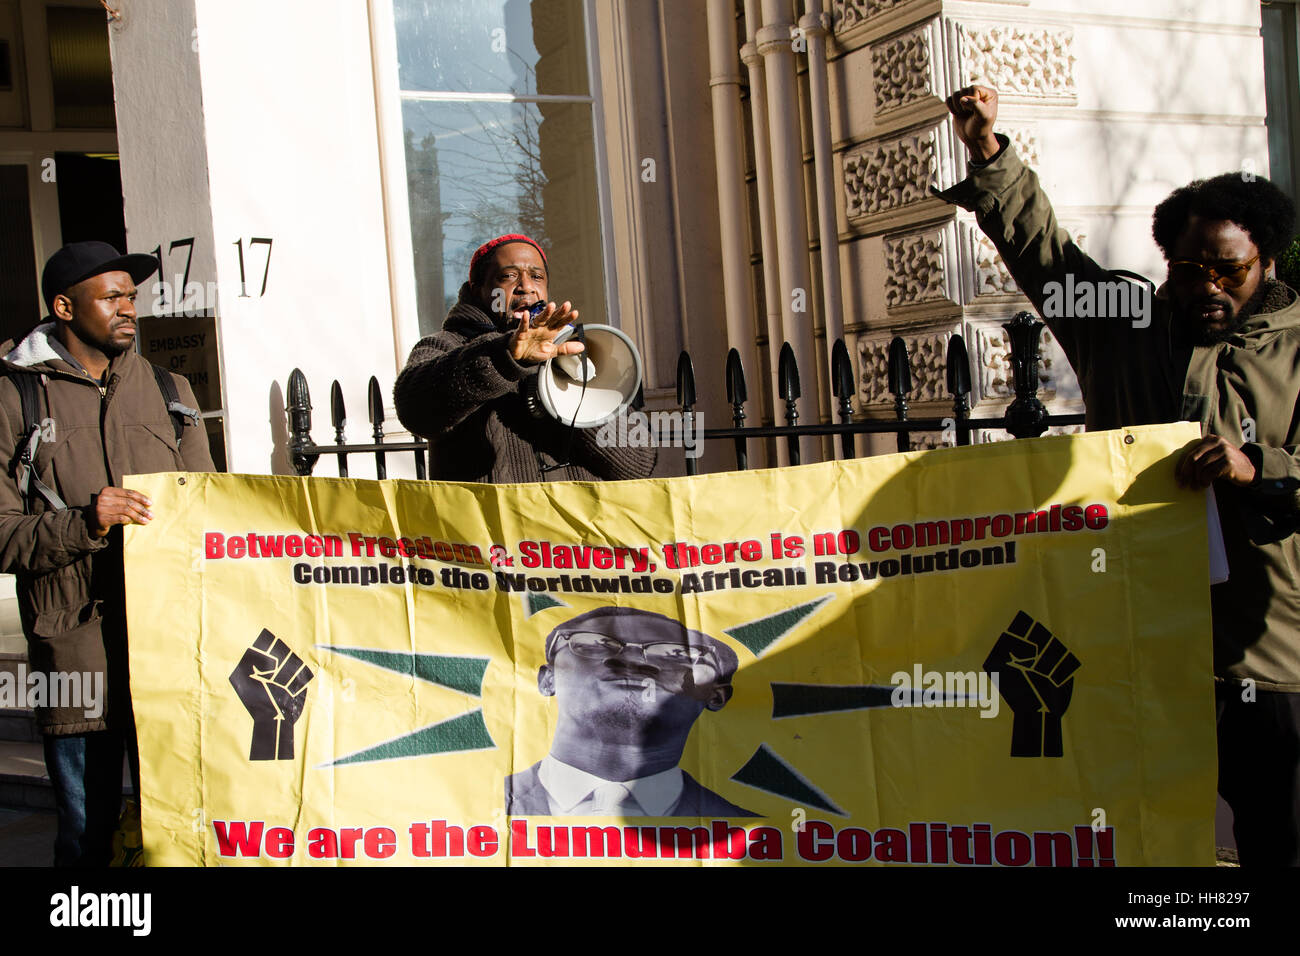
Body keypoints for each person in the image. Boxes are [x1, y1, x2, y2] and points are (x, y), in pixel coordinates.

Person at [940, 85, 1300, 865]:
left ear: (1264, 261)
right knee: (1143, 837)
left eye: (1226, 270)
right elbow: (1046, 255)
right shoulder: (1124, 325)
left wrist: (1256, 466)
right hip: (1141, 638)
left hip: (1268, 652)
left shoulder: (1296, 351)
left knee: (1278, 836)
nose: (1206, 285)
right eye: (1187, 268)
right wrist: (989, 154)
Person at [0, 241, 214, 865]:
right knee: (86, 835)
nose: (129, 307)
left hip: (171, 648)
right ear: (64, 306)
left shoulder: (170, 389)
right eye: (112, 296)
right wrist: (85, 522)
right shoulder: (15, 397)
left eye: (132, 295)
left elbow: (208, 512)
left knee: (176, 831)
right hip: (74, 651)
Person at [393, 234, 656, 482]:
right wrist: (503, 356)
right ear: (477, 290)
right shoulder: (447, 344)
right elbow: (414, 410)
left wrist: (577, 391)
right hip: (491, 528)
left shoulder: (578, 351)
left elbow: (639, 465)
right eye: (508, 276)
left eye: (537, 277)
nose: (526, 287)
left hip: (574, 529)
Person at [505, 607, 755, 817]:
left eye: (675, 654)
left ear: (715, 695)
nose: (633, 662)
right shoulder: (476, 804)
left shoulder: (755, 835)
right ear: (548, 679)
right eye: (593, 645)